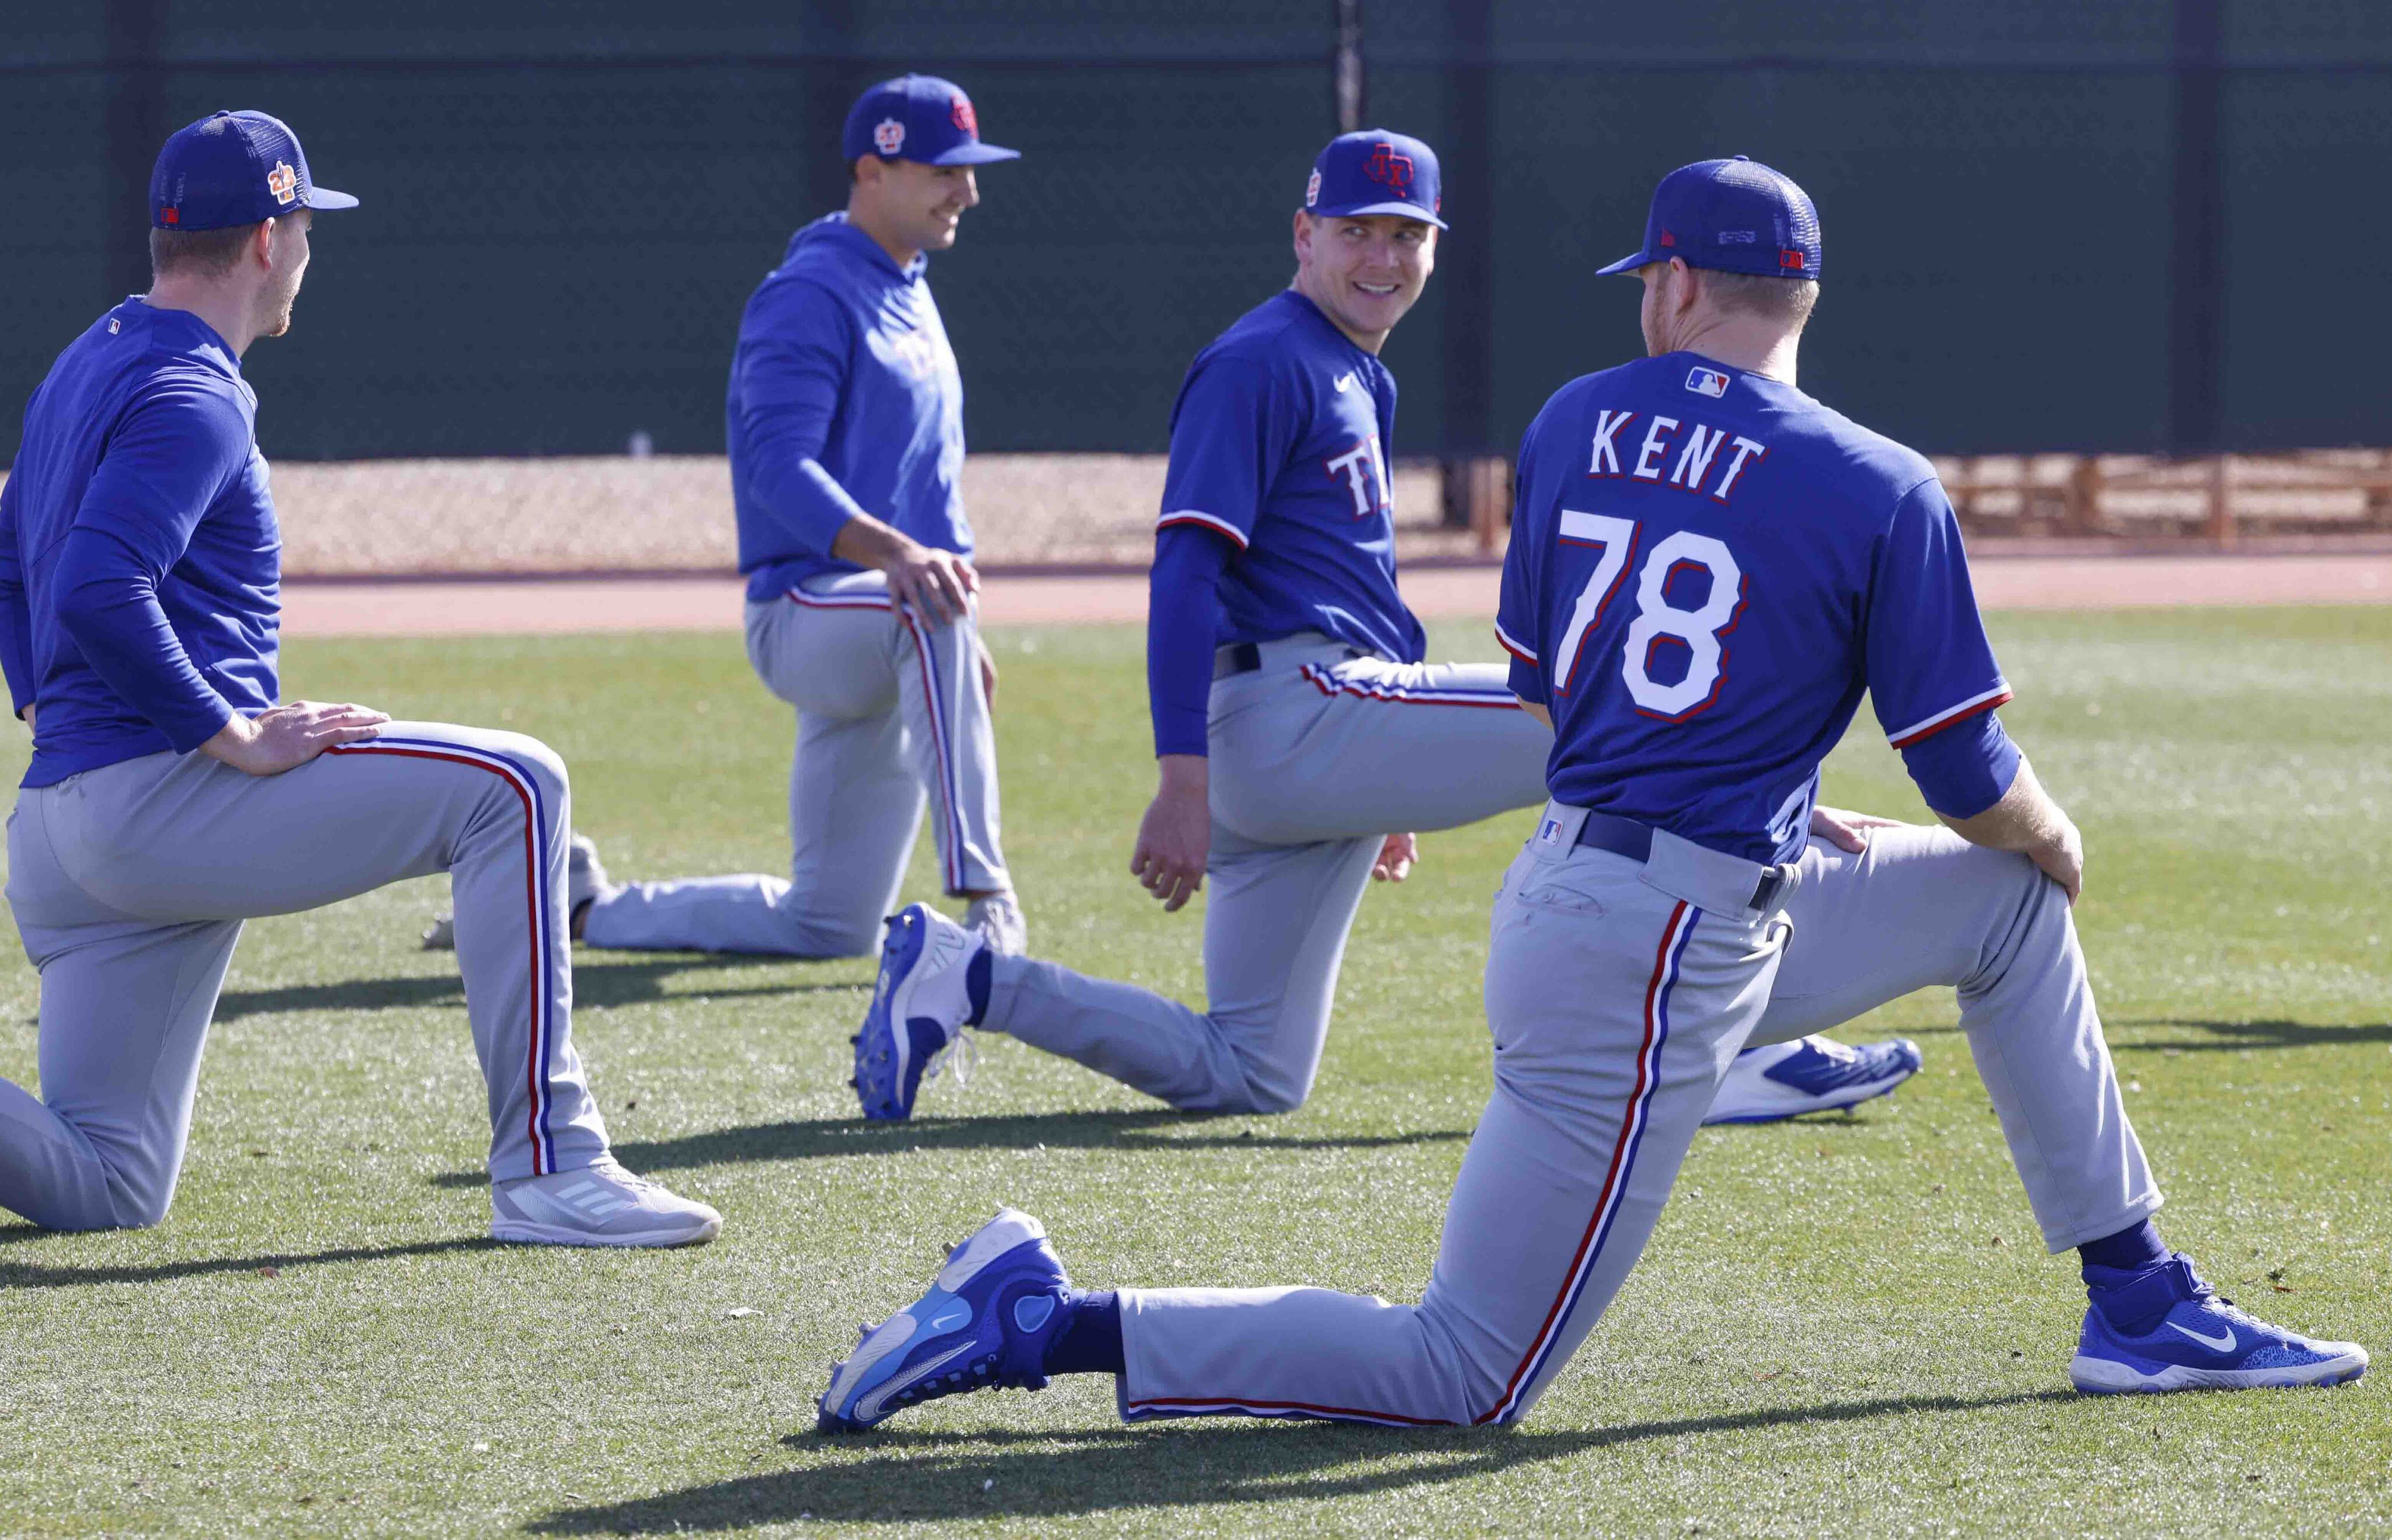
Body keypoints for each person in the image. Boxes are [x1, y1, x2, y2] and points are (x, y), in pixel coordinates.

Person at [815, 155, 2366, 1431]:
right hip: (1650, 948)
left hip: (1621, 891)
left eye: (1648, 277)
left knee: (2004, 914)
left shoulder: (1571, 422)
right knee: (1463, 1368)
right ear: (1804, 294)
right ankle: (1047, 1317)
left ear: (1679, 285)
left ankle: (2141, 1297)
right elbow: (1965, 770)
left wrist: (1795, 796)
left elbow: (1559, 691)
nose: (1643, 298)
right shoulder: (1881, 478)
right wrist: (2048, 819)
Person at [848, 130, 1917, 1129]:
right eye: (1356, 229)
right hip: (1285, 716)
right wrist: (1183, 774)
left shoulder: (1353, 365)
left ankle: (967, 975)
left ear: (1435, 248)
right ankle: (1730, 1050)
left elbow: (1351, 581)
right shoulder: (1262, 358)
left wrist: (1395, 773)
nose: (1383, 254)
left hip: (1324, 738)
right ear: (1303, 236)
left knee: (1252, 1069)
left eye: (1406, 234)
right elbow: (1184, 571)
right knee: (1605, 721)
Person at [0, 110, 719, 1247]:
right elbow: (96, 585)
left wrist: (37, 694)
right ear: (267, 241)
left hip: (58, 831)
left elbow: (13, 543)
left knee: (107, 1184)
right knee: (516, 786)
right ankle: (550, 1167)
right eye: (304, 227)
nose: (307, 252)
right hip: (150, 809)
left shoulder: (93, 353)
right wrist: (230, 732)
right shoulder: (194, 390)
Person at [420, 75, 1028, 960]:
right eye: (944, 169)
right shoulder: (808, 293)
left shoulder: (912, 286)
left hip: (888, 628)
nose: (967, 190)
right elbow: (779, 469)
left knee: (828, 925)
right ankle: (990, 898)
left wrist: (952, 619)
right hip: (805, 617)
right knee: (925, 608)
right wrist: (911, 569)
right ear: (872, 170)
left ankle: (583, 907)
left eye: (971, 171)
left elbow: (934, 484)